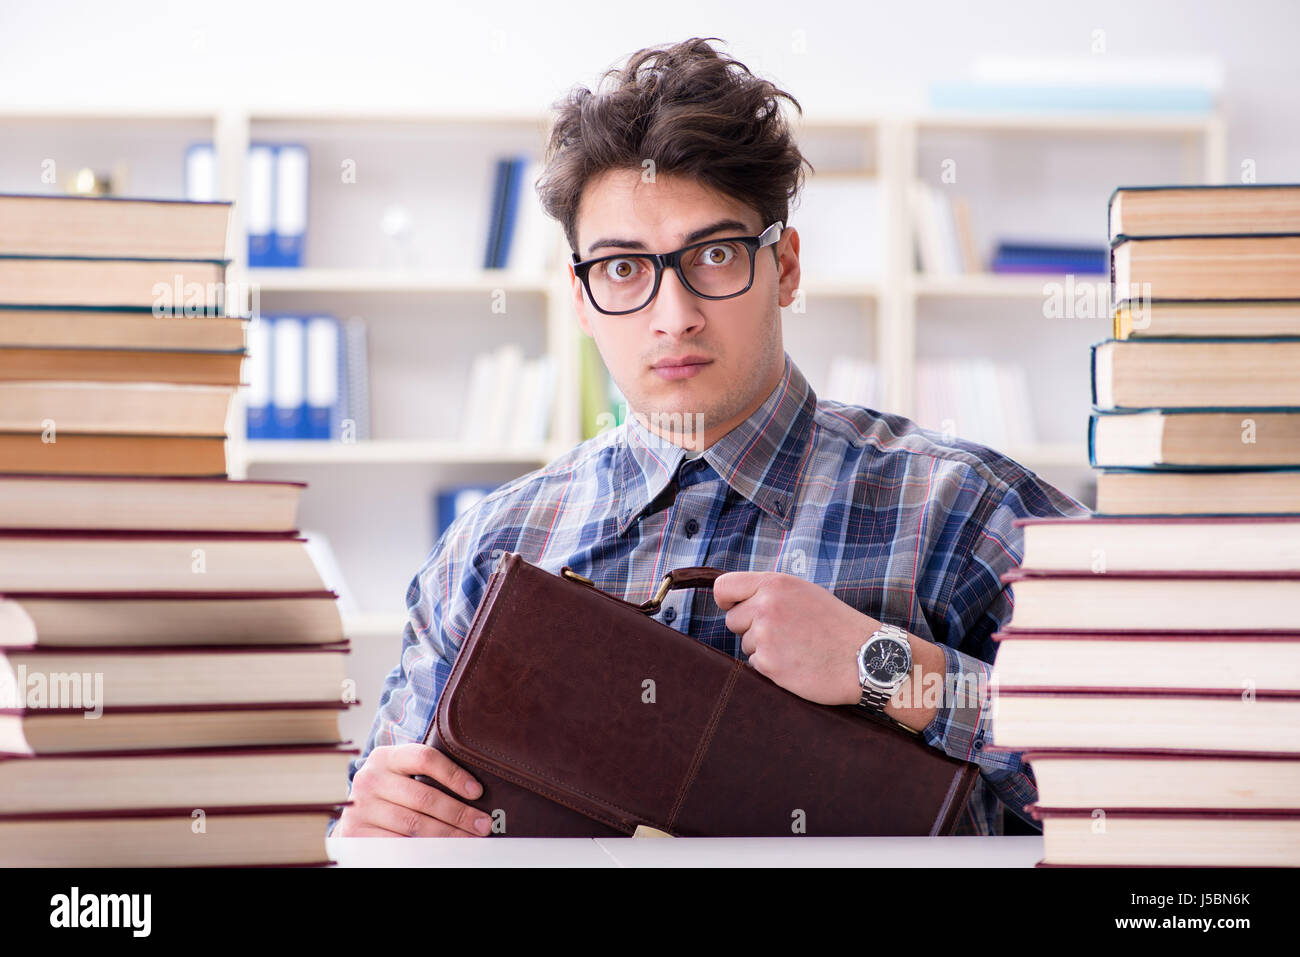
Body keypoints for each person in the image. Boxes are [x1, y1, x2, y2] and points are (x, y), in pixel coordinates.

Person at [332, 36, 1087, 839]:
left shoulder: (963, 507)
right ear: (582, 299)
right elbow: (388, 816)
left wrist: (887, 668)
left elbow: (1163, 748)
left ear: (786, 266)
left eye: (716, 255)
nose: (674, 315)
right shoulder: (488, 547)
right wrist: (371, 827)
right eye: (624, 269)